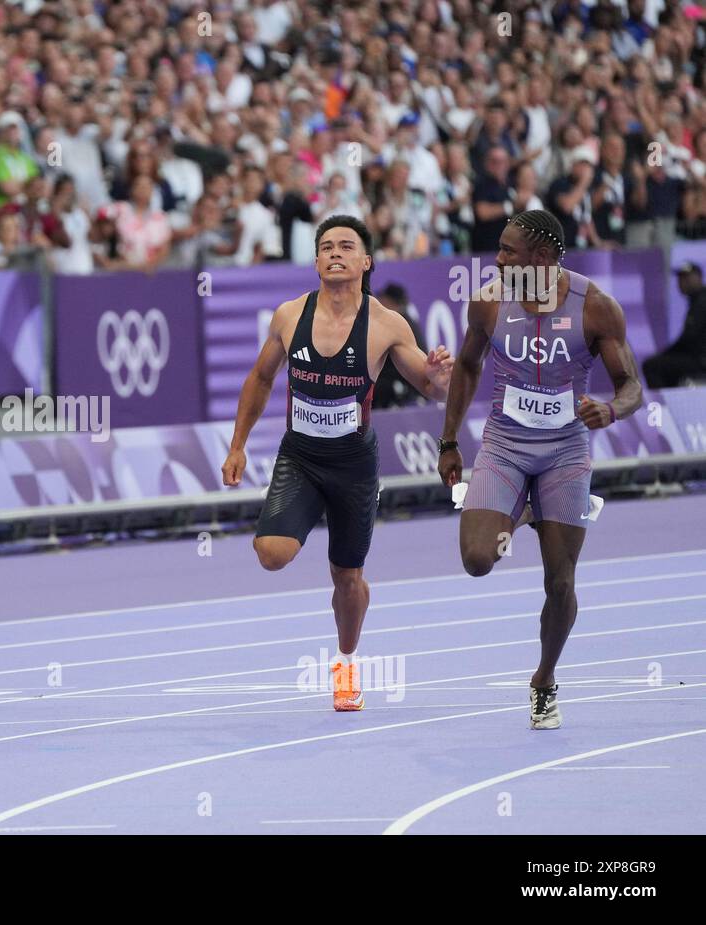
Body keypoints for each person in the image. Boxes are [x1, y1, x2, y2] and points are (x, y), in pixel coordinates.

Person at [222, 215, 454, 712]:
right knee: (271, 553)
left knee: (347, 579)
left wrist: (441, 377)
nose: (335, 253)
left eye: (346, 246)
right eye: (326, 246)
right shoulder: (289, 316)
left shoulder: (387, 324)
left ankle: (346, 663)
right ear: (315, 261)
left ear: (365, 262)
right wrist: (238, 444)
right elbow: (261, 380)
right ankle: (300, 524)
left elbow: (430, 388)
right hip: (300, 457)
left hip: (353, 466)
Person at [438, 209, 644, 730]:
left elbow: (631, 385)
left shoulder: (596, 308)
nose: (498, 259)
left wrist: (612, 409)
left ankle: (544, 679)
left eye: (508, 251)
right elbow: (466, 365)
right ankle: (526, 510)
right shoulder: (489, 300)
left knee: (560, 581)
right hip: (506, 444)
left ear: (544, 257)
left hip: (566, 453)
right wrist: (448, 441)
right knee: (478, 558)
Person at [643, 261, 706, 388]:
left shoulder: (702, 302)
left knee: (652, 366)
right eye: (680, 278)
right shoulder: (697, 301)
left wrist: (667, 354)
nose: (683, 282)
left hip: (701, 360)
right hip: (698, 357)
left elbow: (689, 338)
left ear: (699, 277)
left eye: (687, 277)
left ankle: (666, 405)